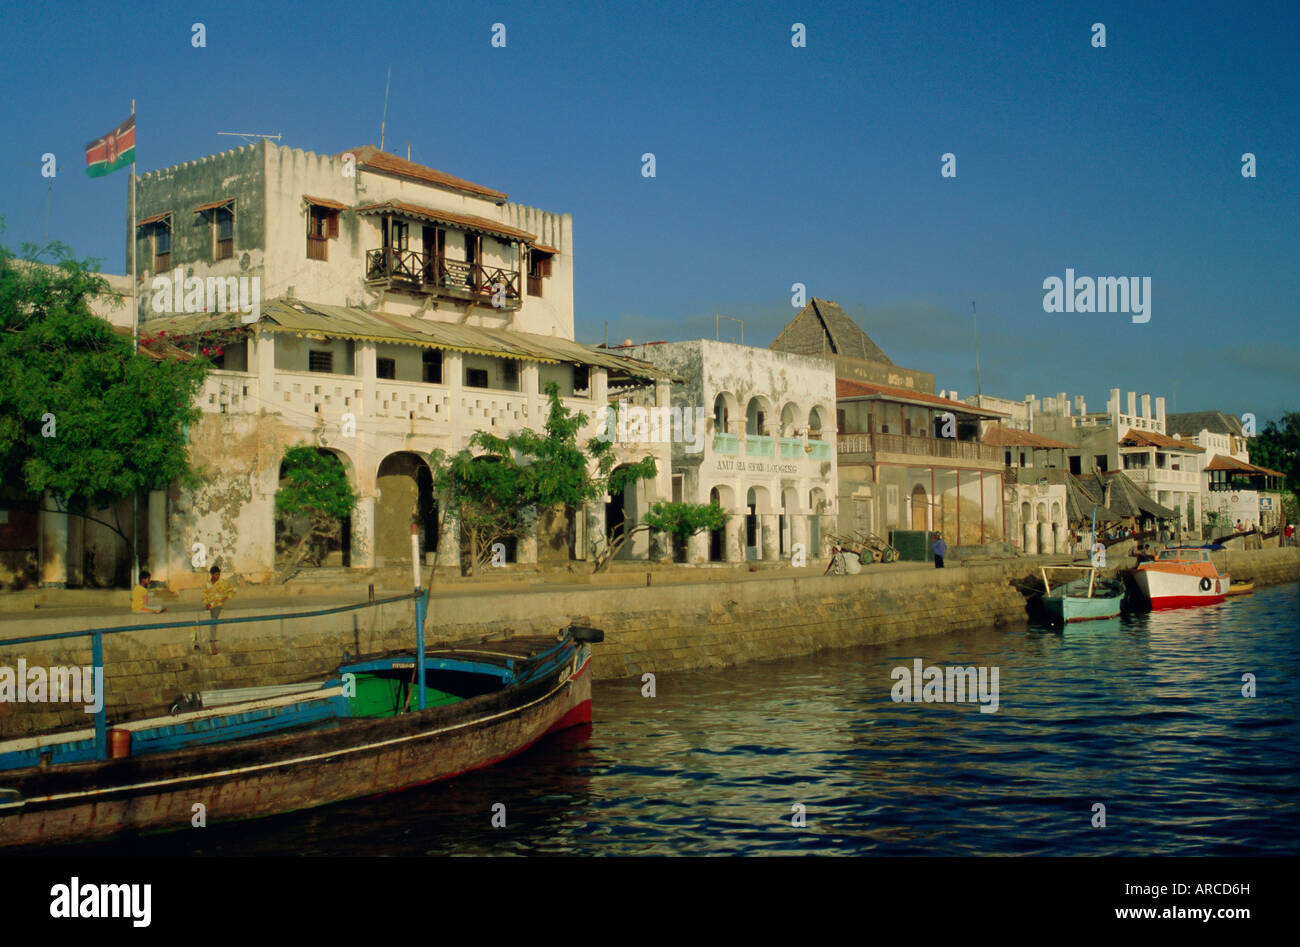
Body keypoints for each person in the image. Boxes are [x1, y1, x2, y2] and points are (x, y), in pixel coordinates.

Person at [201, 565, 236, 655]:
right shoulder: (207, 584)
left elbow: (232, 591)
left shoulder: (223, 583)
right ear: (212, 574)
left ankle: (212, 642)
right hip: (210, 605)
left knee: (213, 619)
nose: (217, 576)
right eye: (216, 574)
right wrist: (206, 603)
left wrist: (226, 598)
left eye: (218, 574)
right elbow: (204, 595)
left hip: (218, 604)